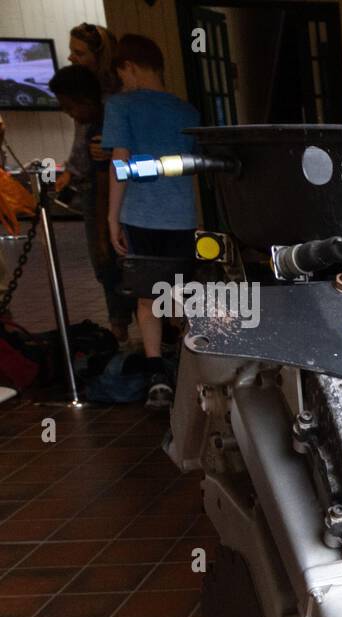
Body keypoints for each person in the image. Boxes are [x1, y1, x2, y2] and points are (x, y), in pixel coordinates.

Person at [101, 34, 199, 409]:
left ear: (129, 67)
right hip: (181, 216)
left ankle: (158, 375)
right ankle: (195, 374)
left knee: (148, 300)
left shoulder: (121, 106)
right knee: (182, 295)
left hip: (140, 214)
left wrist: (111, 217)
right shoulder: (186, 112)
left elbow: (120, 164)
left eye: (122, 73)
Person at [49, 65, 133, 343]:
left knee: (112, 269)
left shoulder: (102, 128)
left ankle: (121, 329)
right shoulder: (104, 121)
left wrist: (101, 231)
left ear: (83, 100)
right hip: (118, 207)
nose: (68, 113)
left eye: (69, 107)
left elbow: (102, 184)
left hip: (111, 206)